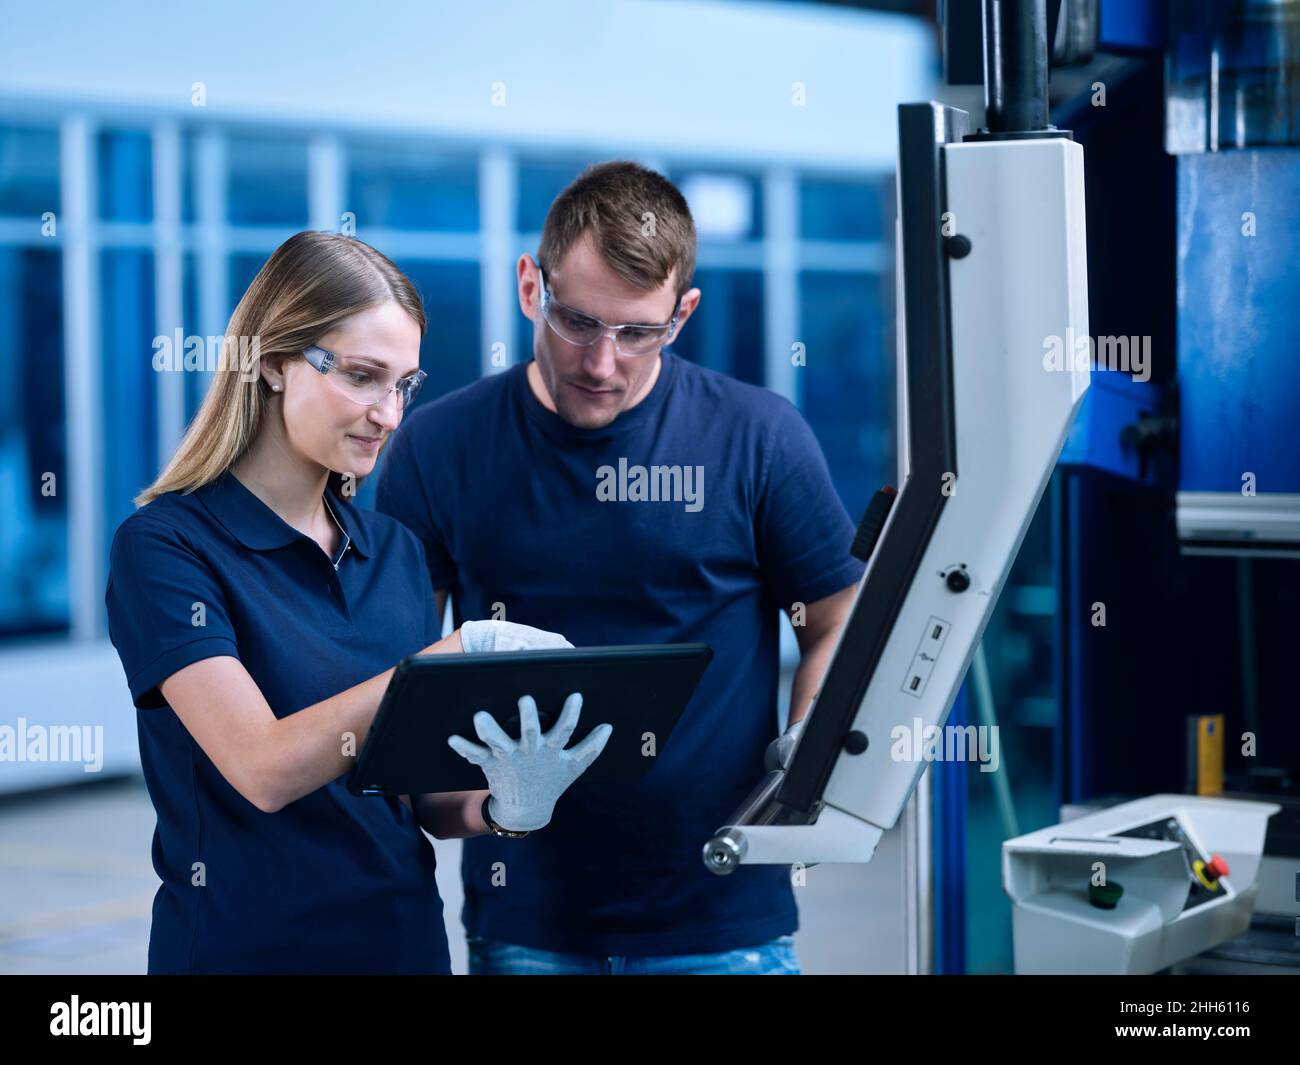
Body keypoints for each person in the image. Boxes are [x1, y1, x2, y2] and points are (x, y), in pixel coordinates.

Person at [375, 161, 864, 975]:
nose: (602, 362)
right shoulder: (438, 447)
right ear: (530, 286)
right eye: (578, 321)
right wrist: (485, 806)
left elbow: (835, 619)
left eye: (639, 332)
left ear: (683, 315)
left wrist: (809, 745)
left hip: (722, 916)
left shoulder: (759, 439)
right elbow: (403, 680)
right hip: (527, 920)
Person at [105, 231, 610, 975]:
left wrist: (507, 805)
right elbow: (263, 769)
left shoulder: (393, 552)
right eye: (364, 377)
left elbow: (422, 797)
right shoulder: (167, 548)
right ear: (273, 361)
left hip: (401, 950)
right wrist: (452, 656)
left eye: (404, 384)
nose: (390, 413)